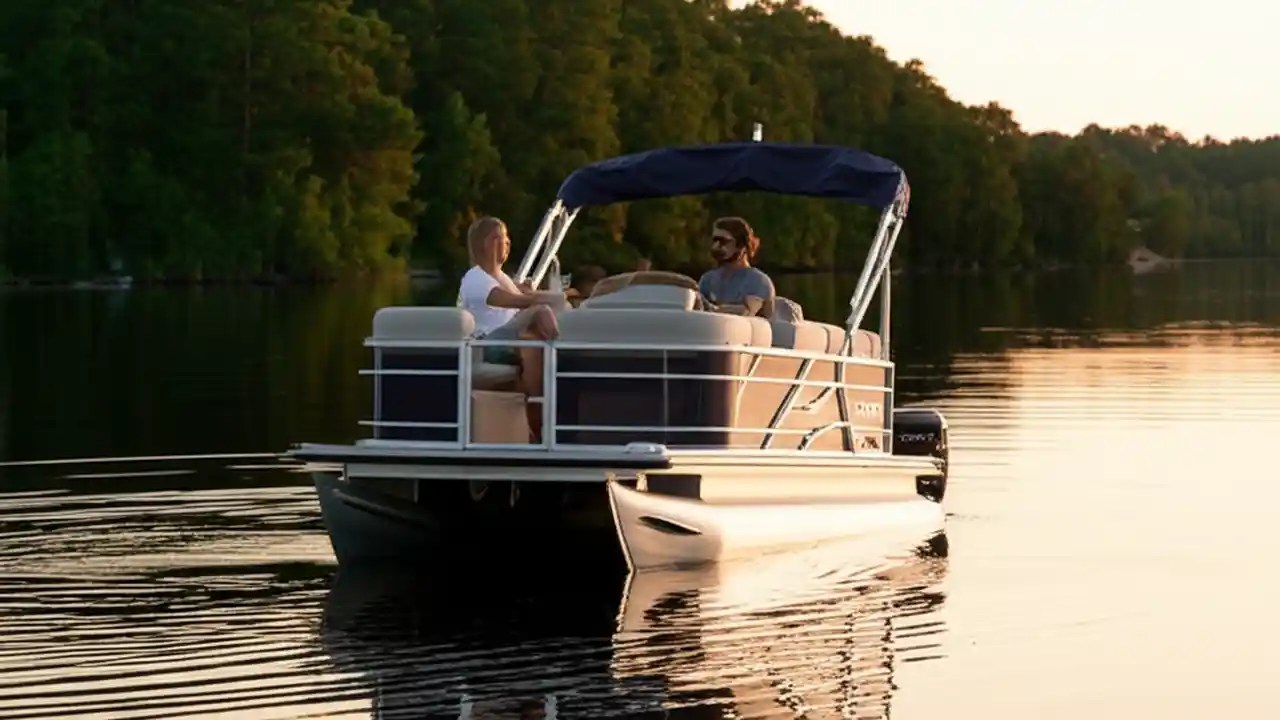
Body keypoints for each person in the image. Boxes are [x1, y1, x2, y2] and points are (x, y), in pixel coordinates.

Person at [458, 216, 576, 436]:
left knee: (534, 345)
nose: (508, 244)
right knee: (541, 311)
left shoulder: (500, 277)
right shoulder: (475, 278)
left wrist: (556, 297)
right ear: (490, 242)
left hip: (507, 341)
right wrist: (544, 299)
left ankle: (540, 423)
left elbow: (523, 294)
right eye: (504, 238)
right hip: (486, 345)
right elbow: (510, 300)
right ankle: (564, 346)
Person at [698, 216, 775, 318]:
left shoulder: (759, 281)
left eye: (723, 241)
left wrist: (712, 309)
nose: (716, 246)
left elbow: (746, 312)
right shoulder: (707, 280)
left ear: (742, 245)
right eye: (714, 240)